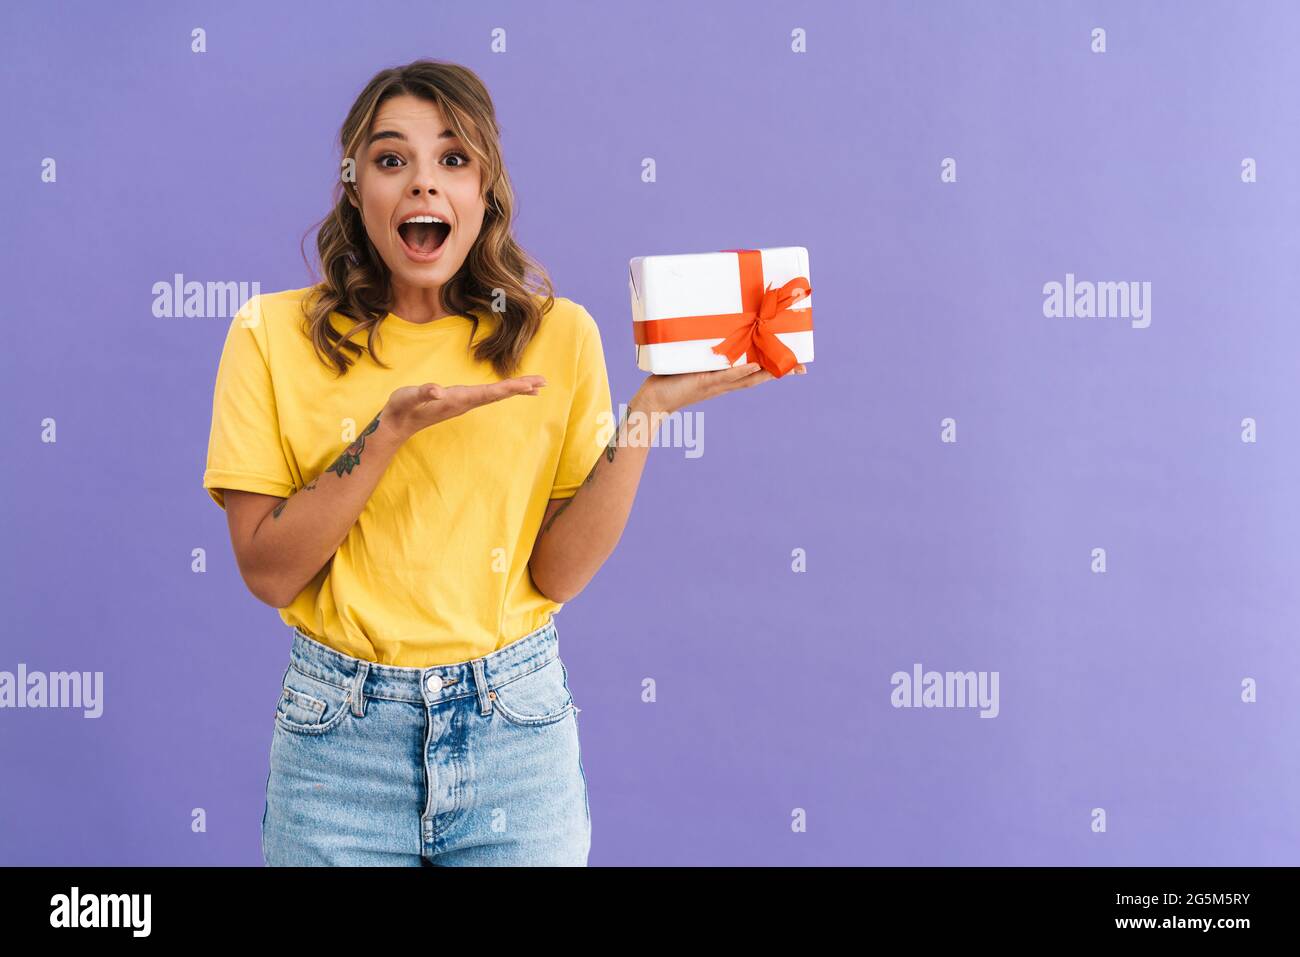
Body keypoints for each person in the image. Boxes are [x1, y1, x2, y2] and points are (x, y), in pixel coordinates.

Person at [202, 59, 806, 866]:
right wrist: (385, 435)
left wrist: (646, 415)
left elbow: (554, 574)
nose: (423, 185)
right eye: (391, 161)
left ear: (484, 190)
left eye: (453, 159)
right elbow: (269, 573)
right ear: (355, 188)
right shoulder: (269, 335)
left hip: (513, 734)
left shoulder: (559, 336)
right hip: (338, 743)